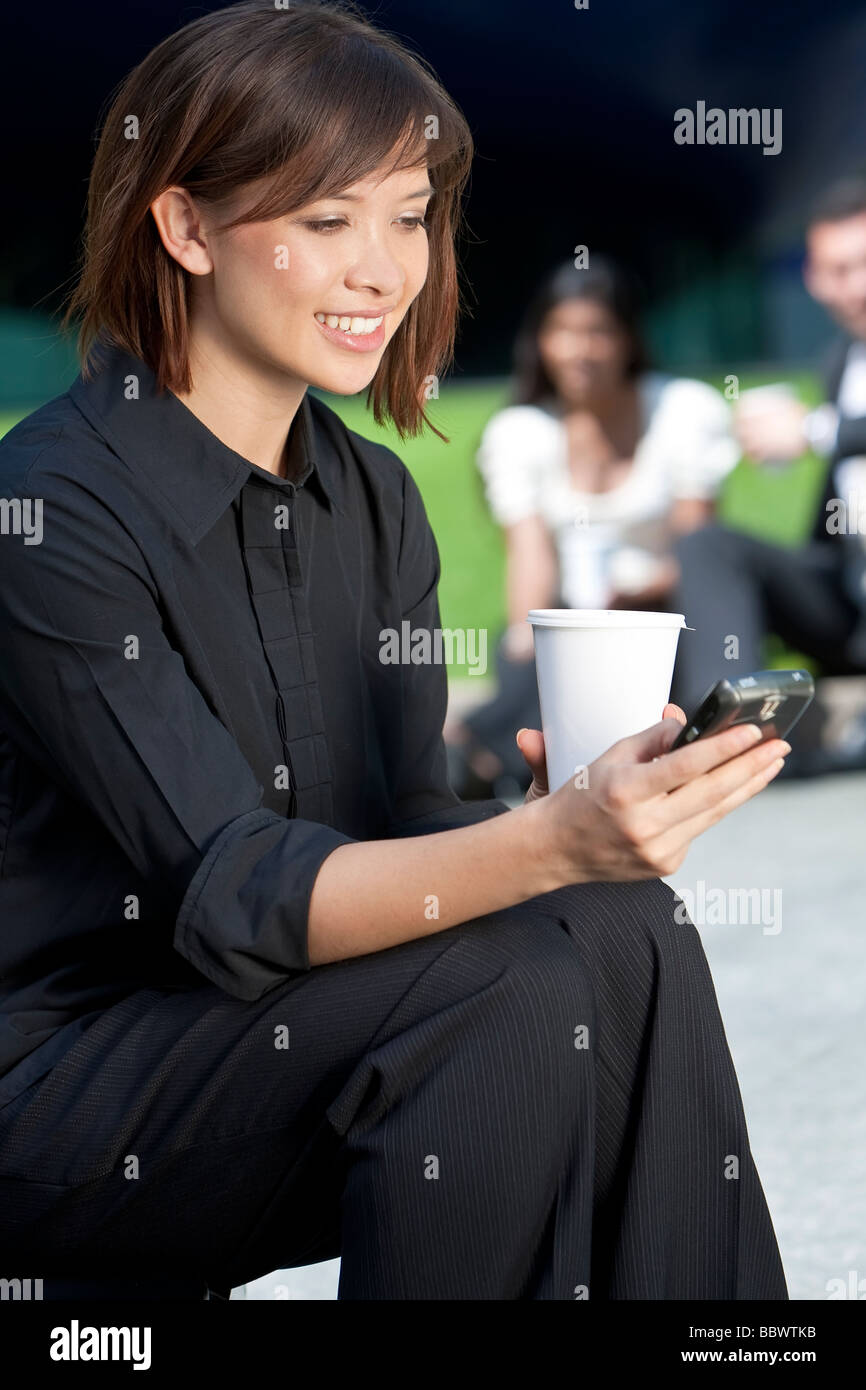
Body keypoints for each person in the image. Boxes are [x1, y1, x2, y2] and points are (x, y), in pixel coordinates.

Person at [0, 0, 790, 1300]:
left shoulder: (369, 498)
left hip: (277, 1040)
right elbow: (238, 889)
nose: (383, 266)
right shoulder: (51, 510)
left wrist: (559, 820)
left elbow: (405, 824)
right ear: (186, 226)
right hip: (64, 1096)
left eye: (409, 214)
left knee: (616, 925)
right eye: (325, 220)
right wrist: (543, 846)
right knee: (503, 986)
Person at [445, 257, 740, 800]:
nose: (579, 350)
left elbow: (698, 549)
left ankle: (475, 752)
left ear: (628, 338)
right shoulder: (522, 432)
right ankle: (480, 754)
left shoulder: (680, 412)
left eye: (597, 333)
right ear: (541, 342)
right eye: (562, 333)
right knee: (535, 662)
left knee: (615, 677)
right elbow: (529, 552)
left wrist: (635, 593)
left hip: (663, 616)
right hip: (573, 618)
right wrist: (523, 634)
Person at [669, 177, 866, 760]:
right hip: (848, 606)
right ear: (811, 277)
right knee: (710, 545)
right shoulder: (840, 362)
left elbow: (830, 437)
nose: (850, 286)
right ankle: (727, 724)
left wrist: (812, 431)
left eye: (861, 265)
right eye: (834, 269)